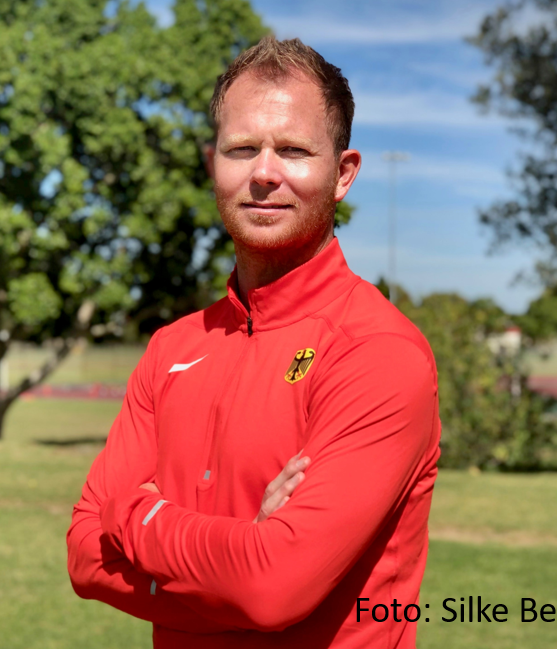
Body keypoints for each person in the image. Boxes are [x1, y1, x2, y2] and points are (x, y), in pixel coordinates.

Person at [67, 35, 441, 649]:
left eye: (293, 150)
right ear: (213, 160)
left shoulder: (377, 352)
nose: (264, 173)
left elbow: (272, 591)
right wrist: (240, 563)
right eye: (242, 149)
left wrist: (135, 514)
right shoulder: (171, 347)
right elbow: (85, 557)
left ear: (342, 174)